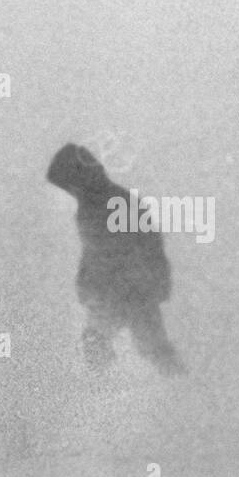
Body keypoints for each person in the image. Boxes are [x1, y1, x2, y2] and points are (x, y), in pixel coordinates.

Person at [46, 142, 186, 375]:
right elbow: (95, 250)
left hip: (128, 290)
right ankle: (176, 385)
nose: (69, 191)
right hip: (121, 290)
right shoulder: (96, 203)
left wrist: (149, 283)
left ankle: (182, 390)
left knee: (148, 346)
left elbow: (141, 245)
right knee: (132, 344)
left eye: (68, 185)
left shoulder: (111, 203)